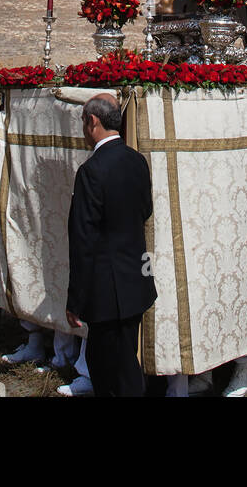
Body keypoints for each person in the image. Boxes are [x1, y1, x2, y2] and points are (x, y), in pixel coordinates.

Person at [65, 93, 156, 397]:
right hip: (135, 281)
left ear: (92, 122)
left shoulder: (92, 171)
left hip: (105, 289)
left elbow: (83, 239)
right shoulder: (137, 160)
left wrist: (75, 300)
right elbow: (145, 211)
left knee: (109, 369)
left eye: (83, 122)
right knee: (126, 358)